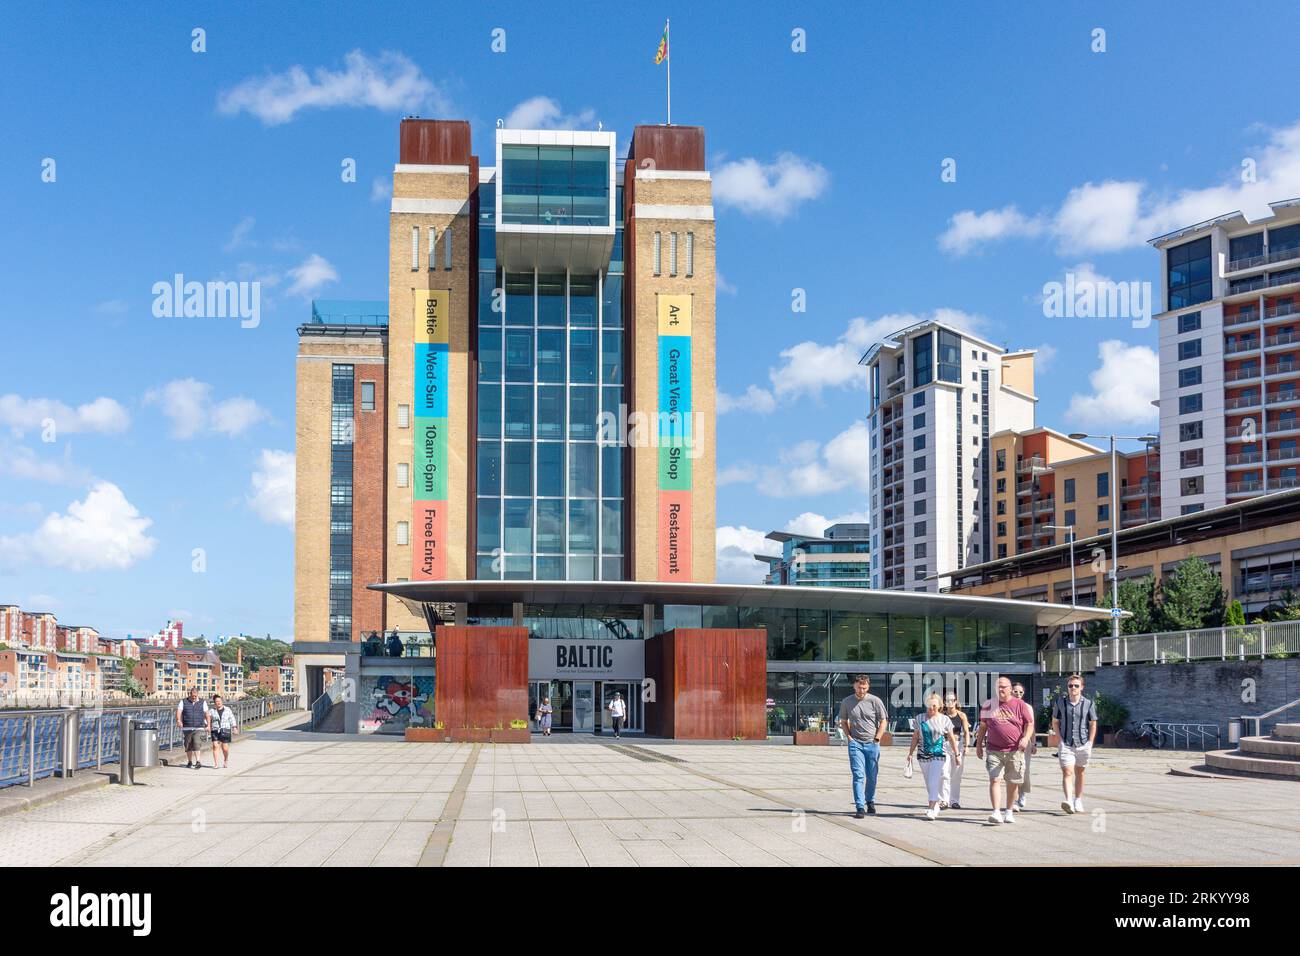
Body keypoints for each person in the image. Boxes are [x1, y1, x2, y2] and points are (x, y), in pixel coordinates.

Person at [974, 677, 1035, 825]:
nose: (1001, 689)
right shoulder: (989, 705)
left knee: (1012, 782)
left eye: (1004, 687)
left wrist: (1026, 738)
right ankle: (996, 812)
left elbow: (1029, 723)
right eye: (998, 687)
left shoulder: (1019, 704)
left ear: (1009, 688)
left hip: (1015, 750)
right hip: (994, 749)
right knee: (995, 779)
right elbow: (983, 727)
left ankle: (1008, 811)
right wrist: (979, 744)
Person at [837, 674, 889, 819]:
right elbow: (843, 720)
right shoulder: (847, 702)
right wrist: (849, 738)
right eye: (859, 687)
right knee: (858, 775)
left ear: (868, 687)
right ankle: (860, 806)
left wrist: (877, 738)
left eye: (864, 687)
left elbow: (883, 721)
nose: (861, 690)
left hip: (872, 743)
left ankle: (870, 800)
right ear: (854, 686)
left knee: (872, 776)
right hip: (856, 744)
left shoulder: (875, 701)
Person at [908, 692, 962, 820]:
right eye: (929, 705)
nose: (931, 708)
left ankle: (931, 807)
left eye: (934, 705)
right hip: (923, 755)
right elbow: (915, 737)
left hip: (939, 755)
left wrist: (957, 754)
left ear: (939, 706)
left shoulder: (945, 719)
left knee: (933, 780)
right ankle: (936, 802)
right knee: (929, 782)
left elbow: (952, 738)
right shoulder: (920, 718)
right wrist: (910, 753)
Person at [1051, 674, 1098, 814]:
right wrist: (1059, 741)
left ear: (1082, 687)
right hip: (1066, 744)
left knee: (1080, 772)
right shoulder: (1061, 703)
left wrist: (1090, 742)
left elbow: (1093, 724)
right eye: (1070, 685)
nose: (1073, 688)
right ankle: (1069, 800)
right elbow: (1055, 722)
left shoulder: (1088, 704)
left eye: (1076, 685)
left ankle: (1078, 799)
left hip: (1083, 744)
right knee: (1067, 771)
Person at [939, 691, 972, 809]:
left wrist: (967, 746)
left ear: (956, 701)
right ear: (944, 702)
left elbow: (967, 732)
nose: (950, 702)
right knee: (944, 773)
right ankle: (944, 800)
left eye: (952, 700)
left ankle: (954, 800)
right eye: (947, 700)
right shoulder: (941, 715)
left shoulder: (961, 715)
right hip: (944, 745)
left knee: (956, 775)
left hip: (958, 745)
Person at [1011, 681, 1036, 809]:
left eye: (1021, 692)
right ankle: (1013, 799)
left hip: (1025, 743)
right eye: (1015, 691)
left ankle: (1022, 794)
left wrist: (1034, 742)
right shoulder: (1006, 707)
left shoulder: (1028, 707)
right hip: (1010, 744)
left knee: (1024, 770)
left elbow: (1032, 726)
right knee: (1013, 771)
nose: (1018, 694)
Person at [176, 686, 209, 770]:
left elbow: (207, 714)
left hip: (199, 727)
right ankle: (190, 761)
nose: (194, 697)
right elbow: (179, 711)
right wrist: (178, 720)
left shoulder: (203, 702)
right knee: (188, 745)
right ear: (190, 694)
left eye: (195, 696)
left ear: (197, 694)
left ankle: (198, 762)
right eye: (192, 696)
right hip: (187, 727)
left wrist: (208, 725)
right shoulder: (183, 701)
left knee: (197, 743)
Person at [209, 694, 238, 768]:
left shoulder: (227, 709)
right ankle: (216, 764)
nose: (218, 702)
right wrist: (207, 725)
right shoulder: (212, 711)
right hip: (215, 730)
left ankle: (225, 759)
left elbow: (232, 718)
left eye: (219, 701)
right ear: (214, 703)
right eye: (216, 701)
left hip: (225, 729)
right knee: (215, 746)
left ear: (222, 701)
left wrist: (234, 727)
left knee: (225, 748)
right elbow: (207, 718)